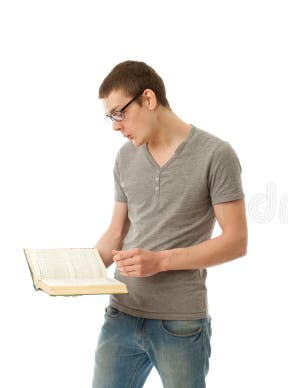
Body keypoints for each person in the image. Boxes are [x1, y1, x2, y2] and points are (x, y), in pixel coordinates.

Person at [92, 60, 248, 388]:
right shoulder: (125, 157)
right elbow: (116, 233)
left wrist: (161, 261)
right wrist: (77, 271)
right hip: (121, 315)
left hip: (180, 323)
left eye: (119, 113)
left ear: (148, 99)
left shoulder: (216, 155)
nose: (115, 126)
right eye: (110, 117)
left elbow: (236, 241)